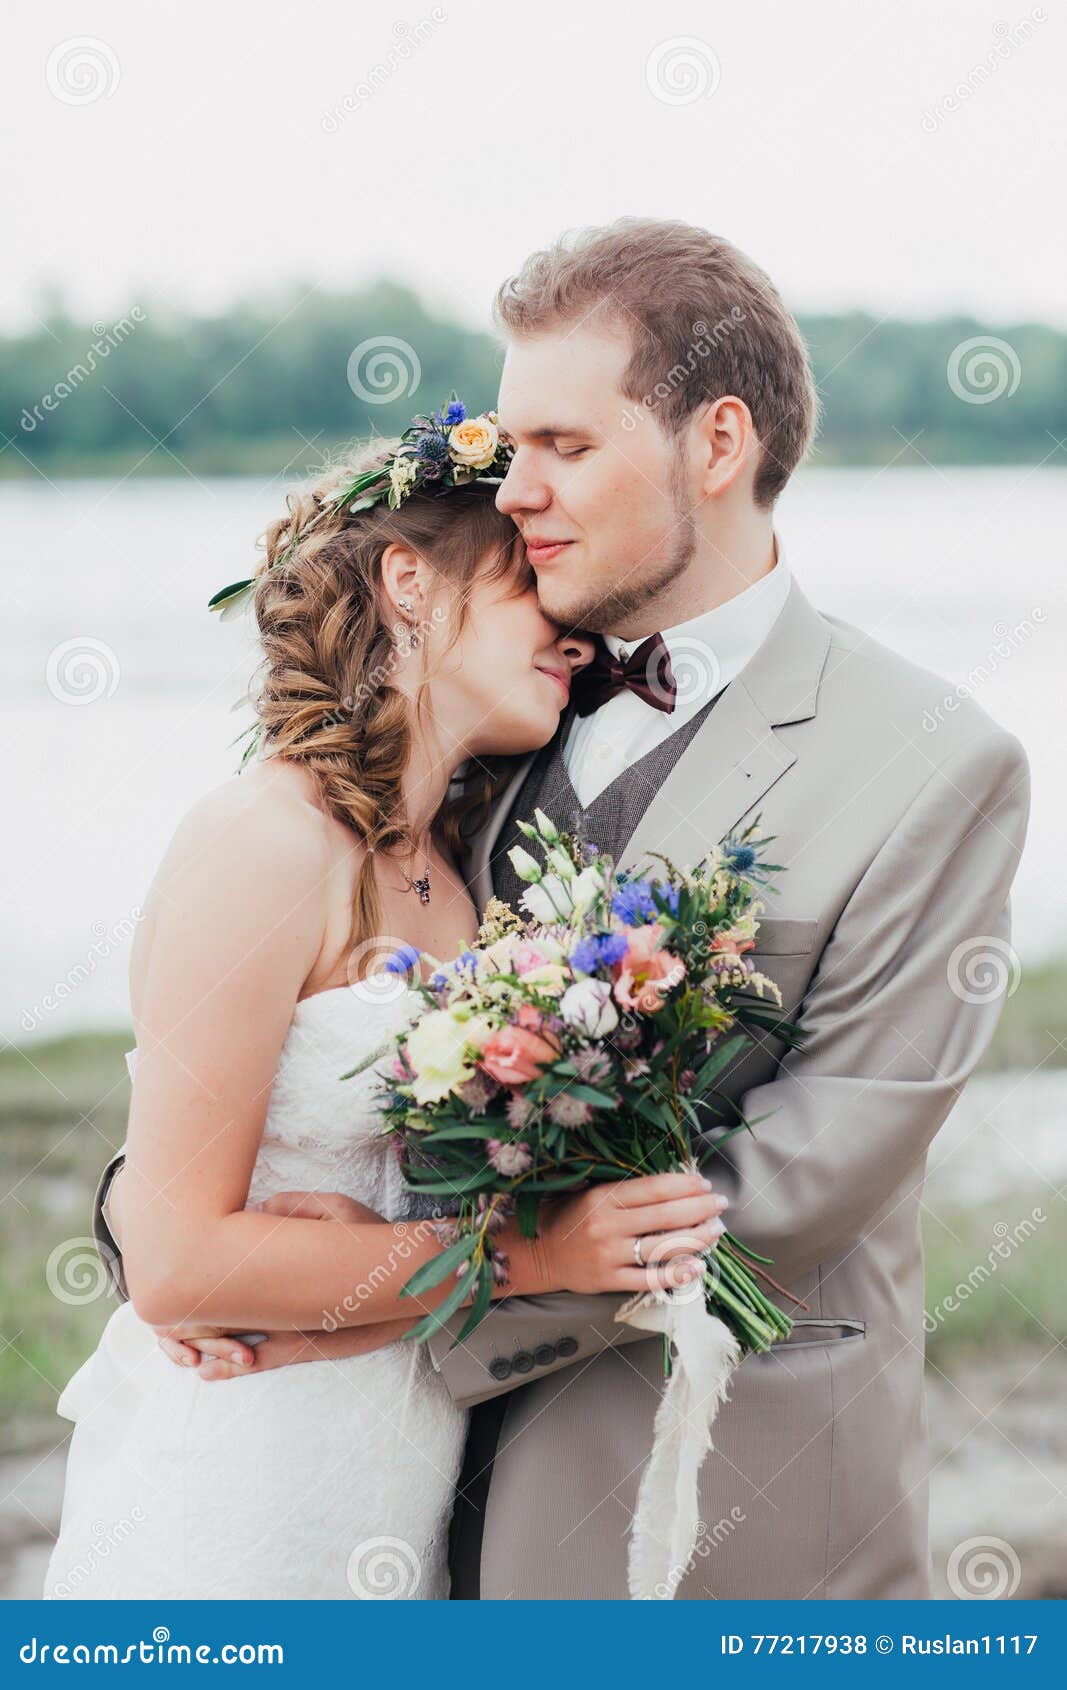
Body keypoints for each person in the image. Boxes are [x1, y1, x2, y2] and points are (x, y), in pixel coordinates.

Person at [46, 416, 728, 1601]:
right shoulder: (261, 840)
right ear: (407, 580)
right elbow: (172, 1261)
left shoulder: (463, 870)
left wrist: (344, 1299)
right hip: (232, 1486)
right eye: (530, 584)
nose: (574, 633)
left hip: (391, 1465)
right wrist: (533, 1255)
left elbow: (394, 1219)